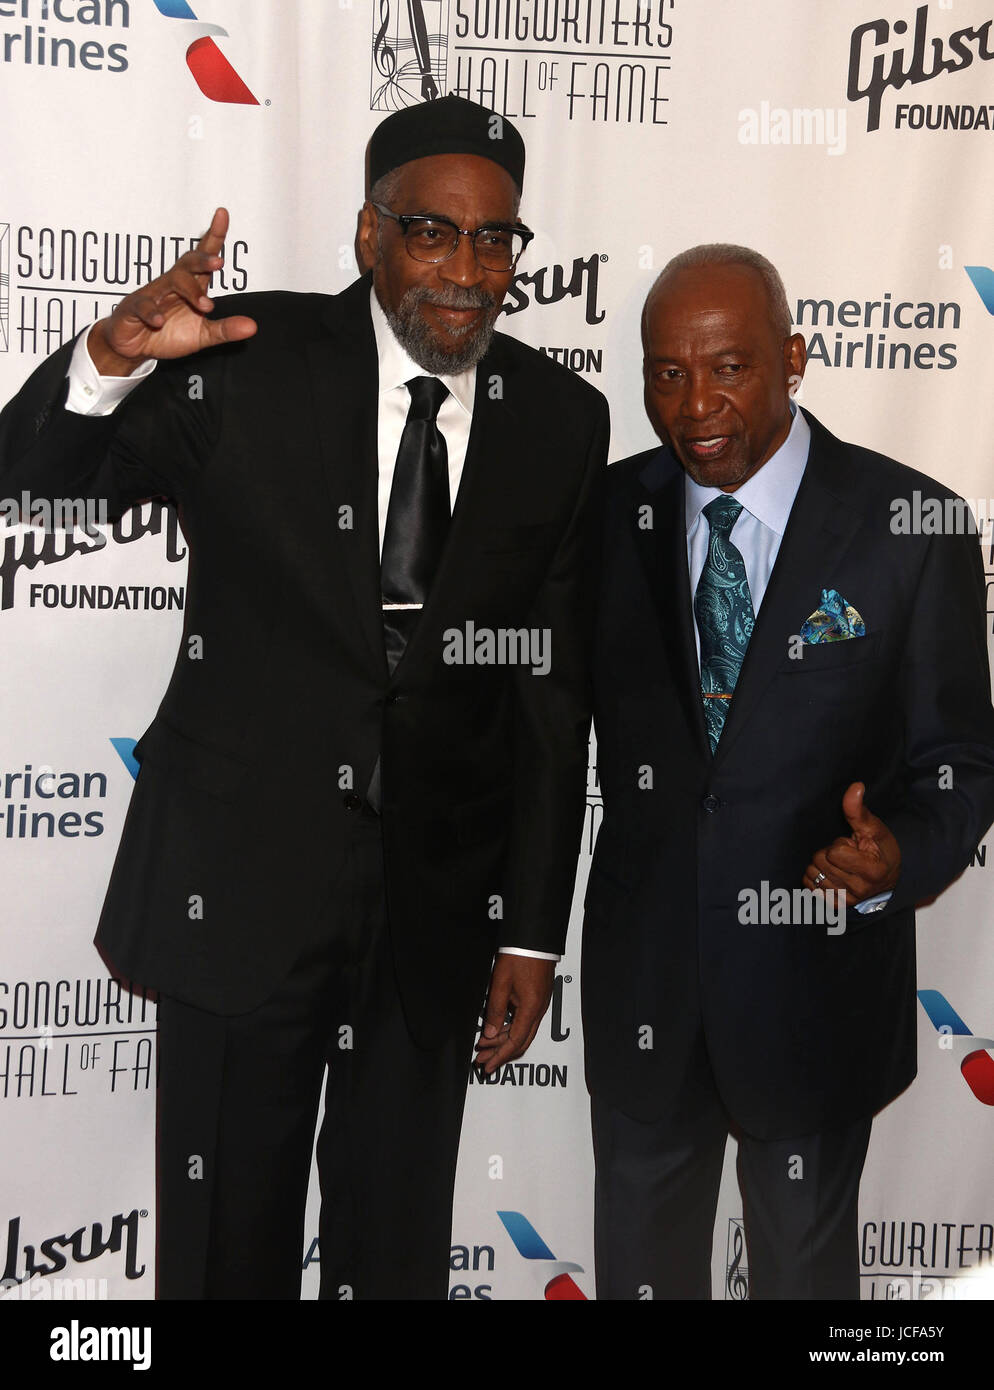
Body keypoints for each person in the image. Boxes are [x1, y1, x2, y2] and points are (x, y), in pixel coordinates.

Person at [0, 96, 609, 1299]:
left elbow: (548, 694)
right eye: (433, 231)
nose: (467, 269)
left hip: (433, 912)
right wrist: (115, 354)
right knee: (225, 1238)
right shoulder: (243, 357)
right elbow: (34, 479)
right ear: (368, 236)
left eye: (496, 240)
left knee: (394, 1254)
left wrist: (532, 928)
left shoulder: (560, 418)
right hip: (236, 892)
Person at [583, 243, 994, 1300]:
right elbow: (544, 743)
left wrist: (900, 850)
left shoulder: (913, 525)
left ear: (794, 358)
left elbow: (960, 758)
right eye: (666, 371)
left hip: (815, 993)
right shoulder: (602, 519)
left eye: (728, 366)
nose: (695, 402)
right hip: (647, 990)